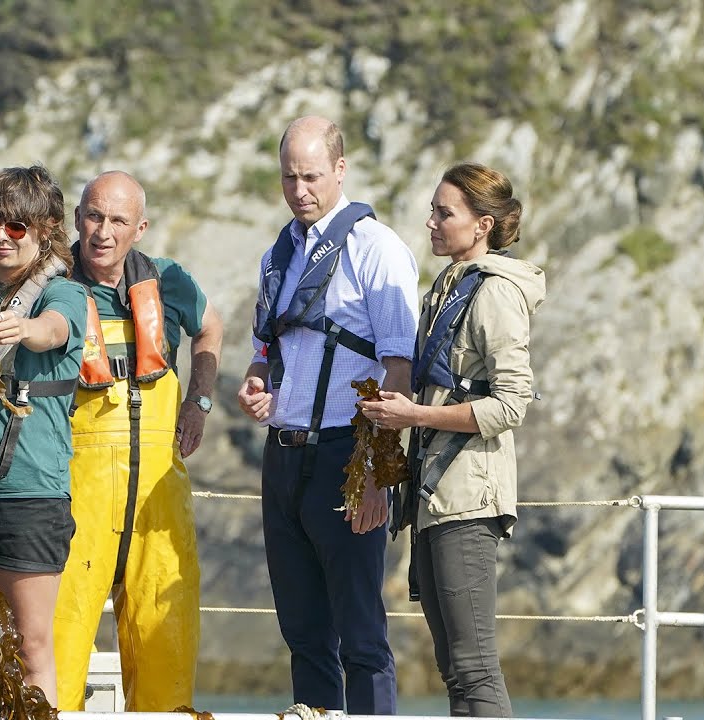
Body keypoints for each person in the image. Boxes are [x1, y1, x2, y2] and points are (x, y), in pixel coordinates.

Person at [236, 116, 418, 715]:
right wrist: (258, 382)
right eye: (289, 177)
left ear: (340, 169)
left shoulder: (378, 249)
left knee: (361, 635)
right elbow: (270, 352)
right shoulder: (278, 253)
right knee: (303, 632)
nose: (300, 190)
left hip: (347, 451)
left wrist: (373, 473)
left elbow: (399, 368)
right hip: (283, 455)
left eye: (312, 176)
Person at [360, 162, 545, 717]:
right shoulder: (447, 287)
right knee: (455, 667)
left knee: (474, 666)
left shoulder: (494, 294)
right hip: (436, 497)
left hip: (467, 498)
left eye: (445, 213)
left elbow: (513, 402)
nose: (431, 222)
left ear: (482, 224)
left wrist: (414, 414)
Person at [52, 170, 223, 711]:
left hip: (157, 495)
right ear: (76, 219)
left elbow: (210, 329)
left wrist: (198, 402)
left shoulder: (168, 280)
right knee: (60, 647)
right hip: (77, 494)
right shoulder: (53, 285)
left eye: (118, 220)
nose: (103, 231)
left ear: (140, 227)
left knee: (165, 650)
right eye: (93, 216)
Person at [0, 165, 87, 707]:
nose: (1, 236)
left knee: (29, 645)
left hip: (29, 494)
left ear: (47, 228)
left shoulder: (64, 294)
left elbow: (56, 331)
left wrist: (25, 329)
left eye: (17, 227)